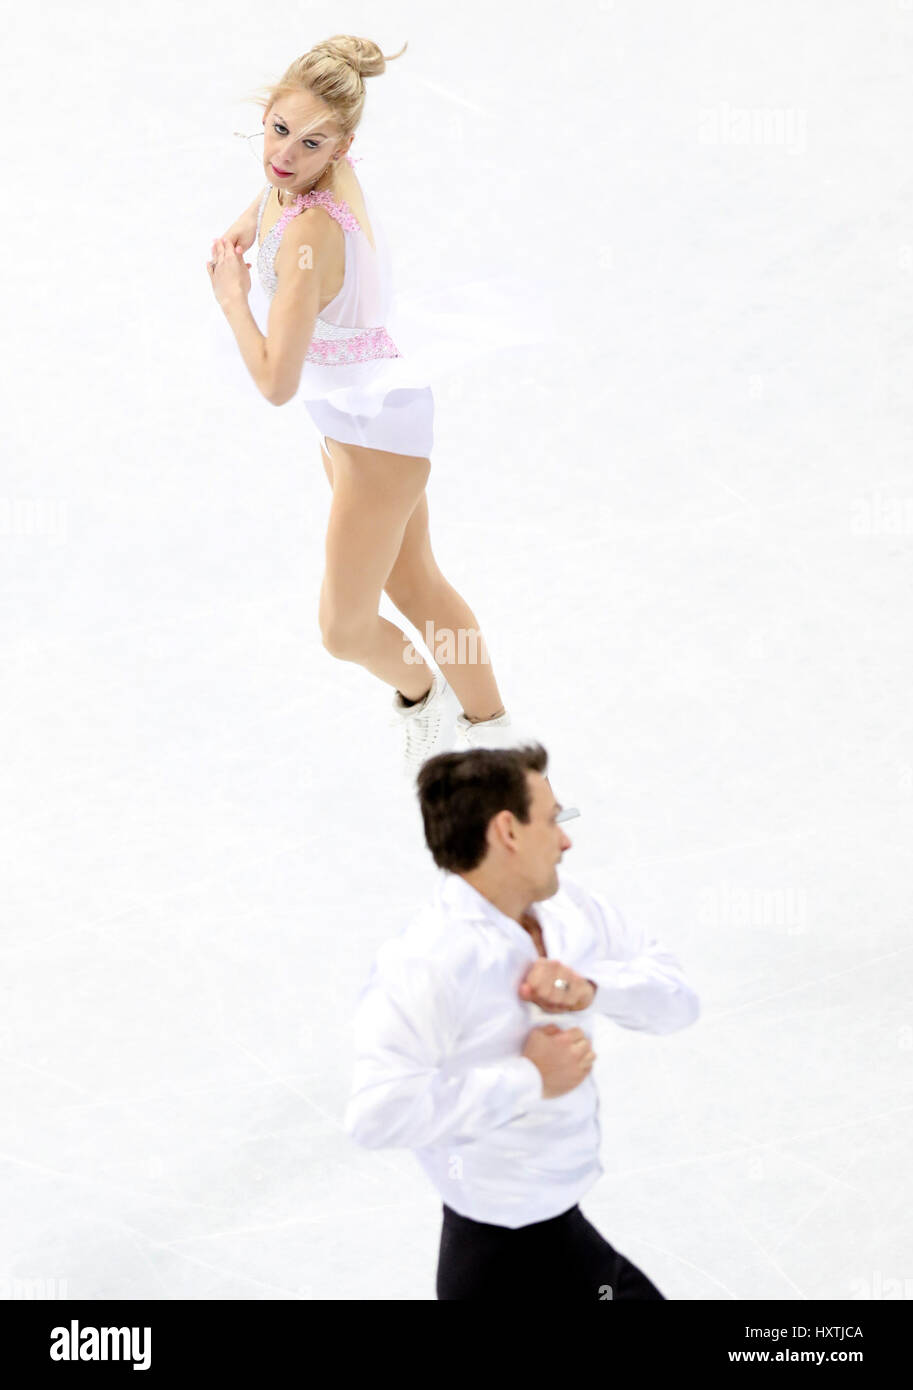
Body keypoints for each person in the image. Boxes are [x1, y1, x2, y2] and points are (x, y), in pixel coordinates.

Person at [206, 35, 531, 774]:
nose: (285, 155)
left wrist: (233, 300)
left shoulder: (310, 242)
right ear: (267, 115)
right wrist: (246, 224)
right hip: (360, 409)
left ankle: (425, 697)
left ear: (342, 147)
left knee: (344, 630)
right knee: (415, 580)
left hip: (373, 433)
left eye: (310, 143)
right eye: (279, 130)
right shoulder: (293, 185)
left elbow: (274, 383)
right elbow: (263, 203)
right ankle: (502, 750)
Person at [343, 743, 700, 1300]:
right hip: (500, 1267)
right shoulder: (426, 963)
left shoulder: (568, 910)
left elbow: (680, 1000)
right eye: (552, 820)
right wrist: (531, 1078)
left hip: (562, 1236)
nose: (565, 839)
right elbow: (377, 1114)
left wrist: (595, 989)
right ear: (508, 831)